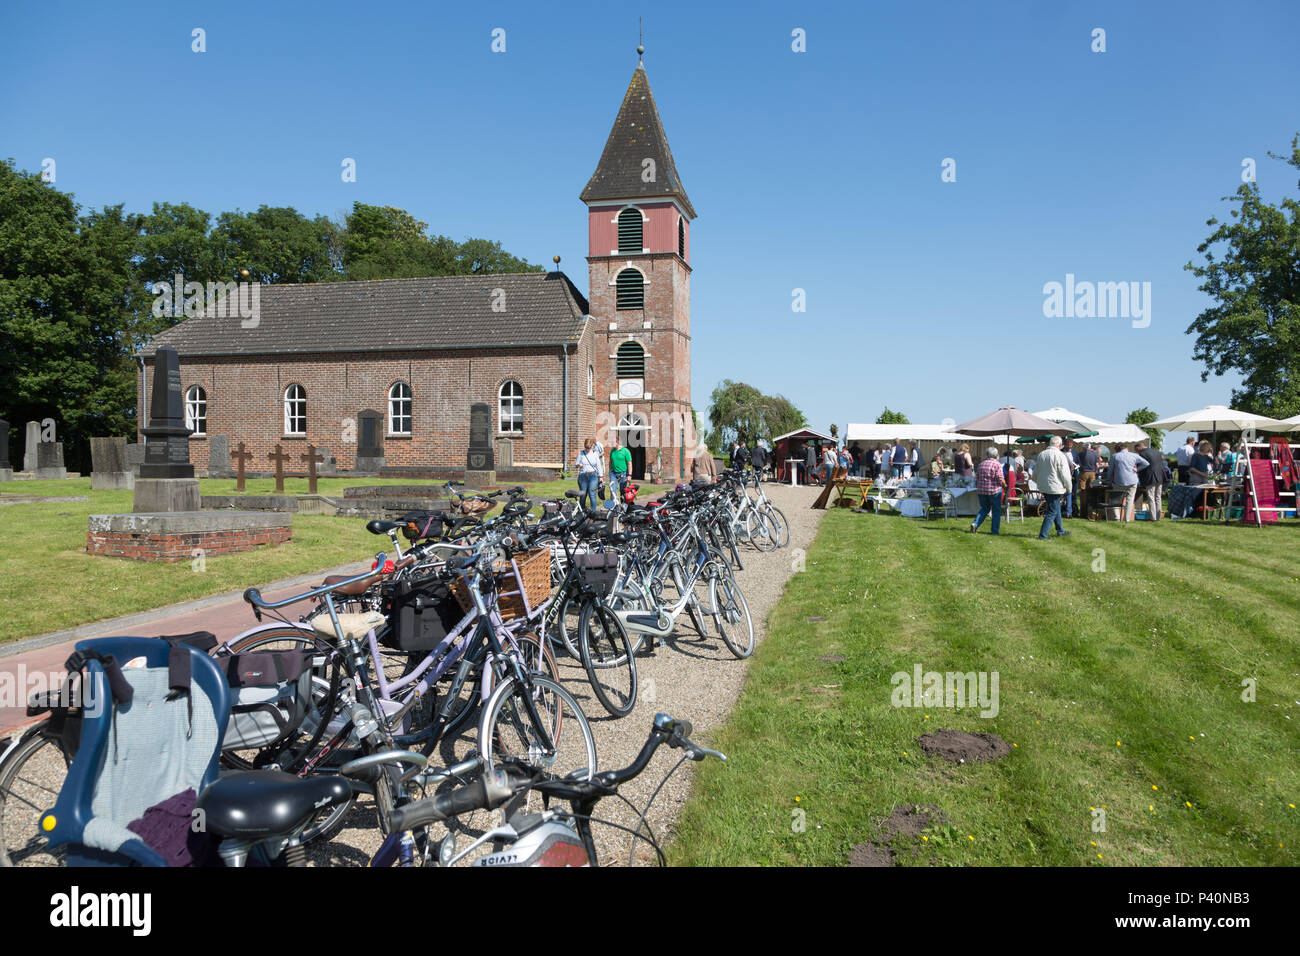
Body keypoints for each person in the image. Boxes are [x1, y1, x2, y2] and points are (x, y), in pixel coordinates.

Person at [1033, 436, 1073, 539]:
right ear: (1060, 445)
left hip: (1044, 485)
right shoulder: (1060, 455)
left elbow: (1035, 472)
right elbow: (1065, 474)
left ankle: (1060, 530)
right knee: (1052, 511)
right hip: (1055, 486)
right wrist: (1069, 488)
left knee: (1056, 508)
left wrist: (1036, 481)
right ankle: (1043, 535)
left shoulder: (1041, 454)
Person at [970, 446, 1007, 535]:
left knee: (984, 509)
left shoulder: (981, 464)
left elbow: (977, 477)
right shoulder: (997, 464)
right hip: (994, 491)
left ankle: (975, 523)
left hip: (982, 490)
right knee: (996, 511)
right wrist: (1005, 486)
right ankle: (994, 531)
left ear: (987, 454)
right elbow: (1000, 478)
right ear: (996, 455)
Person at [1108, 442, 1149, 522]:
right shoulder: (1134, 455)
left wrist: (1109, 481)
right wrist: (1137, 469)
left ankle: (1117, 517)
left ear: (1117, 450)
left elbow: (1110, 470)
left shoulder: (1114, 456)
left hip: (1118, 481)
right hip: (1132, 481)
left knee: (1115, 499)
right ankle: (1127, 519)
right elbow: (1146, 463)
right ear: (1126, 448)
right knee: (1129, 501)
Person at [1137, 439, 1164, 521]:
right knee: (1158, 497)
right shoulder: (1157, 452)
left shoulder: (1142, 454)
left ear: (1139, 448)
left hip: (1150, 477)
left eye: (1136, 450)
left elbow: (1141, 466)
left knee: (1151, 497)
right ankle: (1158, 516)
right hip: (1160, 476)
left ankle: (1153, 517)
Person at [575, 439, 602, 511]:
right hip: (583, 476)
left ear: (592, 446)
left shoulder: (595, 454)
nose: (587, 449)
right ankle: (582, 510)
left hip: (593, 475)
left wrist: (600, 476)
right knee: (583, 495)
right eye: (586, 447)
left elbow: (599, 466)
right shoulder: (581, 453)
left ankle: (593, 511)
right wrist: (579, 465)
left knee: (592, 494)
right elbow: (576, 464)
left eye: (589, 447)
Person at [1078, 443, 1101, 519]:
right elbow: (1097, 465)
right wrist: (1094, 472)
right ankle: (1091, 513)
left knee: (1083, 492)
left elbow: (1077, 464)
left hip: (1083, 473)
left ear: (1084, 448)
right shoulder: (1095, 454)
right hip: (1092, 473)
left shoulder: (1081, 453)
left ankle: (1083, 513)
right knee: (1091, 492)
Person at [1062, 438, 1081, 518]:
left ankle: (1074, 511)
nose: (1070, 447)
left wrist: (1078, 466)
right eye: (1068, 445)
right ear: (1065, 444)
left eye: (1071, 445)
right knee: (1066, 494)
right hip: (1065, 475)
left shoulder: (1075, 452)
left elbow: (1079, 462)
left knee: (1074, 494)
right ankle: (1067, 511)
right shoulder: (1061, 452)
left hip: (1074, 475)